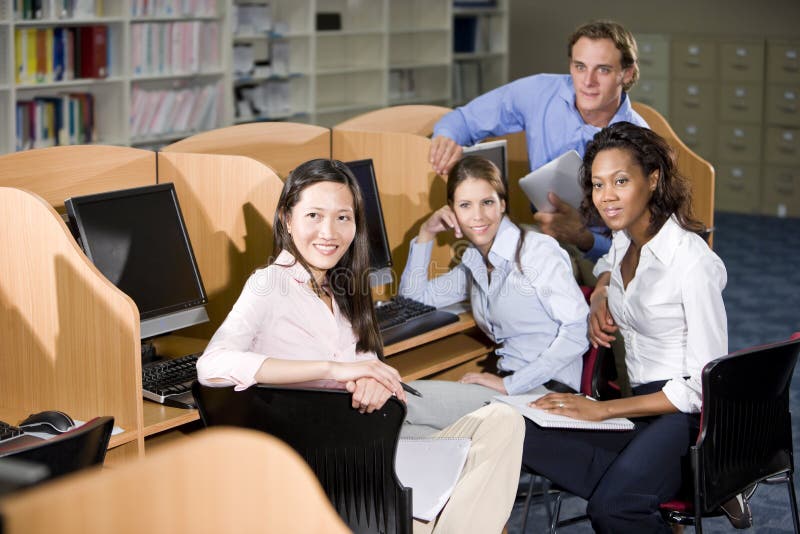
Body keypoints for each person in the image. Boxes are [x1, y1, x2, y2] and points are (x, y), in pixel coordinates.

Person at [196, 158, 524, 534]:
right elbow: (212, 365)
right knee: (477, 486)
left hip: (368, 441)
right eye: (314, 215)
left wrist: (372, 378)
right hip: (331, 464)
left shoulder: (342, 285)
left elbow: (368, 363)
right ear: (287, 219)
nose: (329, 232)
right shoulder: (268, 285)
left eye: (343, 218)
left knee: (503, 424)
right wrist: (333, 370)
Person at [521, 122, 731, 532]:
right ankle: (642, 486)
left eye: (620, 181)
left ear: (652, 179)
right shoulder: (624, 239)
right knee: (522, 434)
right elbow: (606, 264)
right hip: (641, 409)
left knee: (613, 509)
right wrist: (600, 293)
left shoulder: (693, 264)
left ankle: (666, 486)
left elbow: (703, 387)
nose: (607, 197)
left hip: (686, 418)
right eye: (598, 185)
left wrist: (602, 410)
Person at [429, 20, 648, 262]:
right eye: (580, 67)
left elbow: (645, 247)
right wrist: (445, 139)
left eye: (603, 70)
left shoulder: (640, 141)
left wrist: (585, 238)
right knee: (482, 262)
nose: (588, 81)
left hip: (607, 258)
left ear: (626, 73)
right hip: (542, 236)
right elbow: (464, 120)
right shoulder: (540, 92)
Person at [398, 155, 589, 404]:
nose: (478, 216)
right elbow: (413, 300)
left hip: (548, 391)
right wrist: (426, 233)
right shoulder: (475, 264)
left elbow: (578, 329)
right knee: (406, 405)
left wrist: (510, 385)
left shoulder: (536, 252)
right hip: (511, 388)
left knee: (406, 401)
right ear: (452, 211)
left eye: (487, 202)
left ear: (502, 204)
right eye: (465, 205)